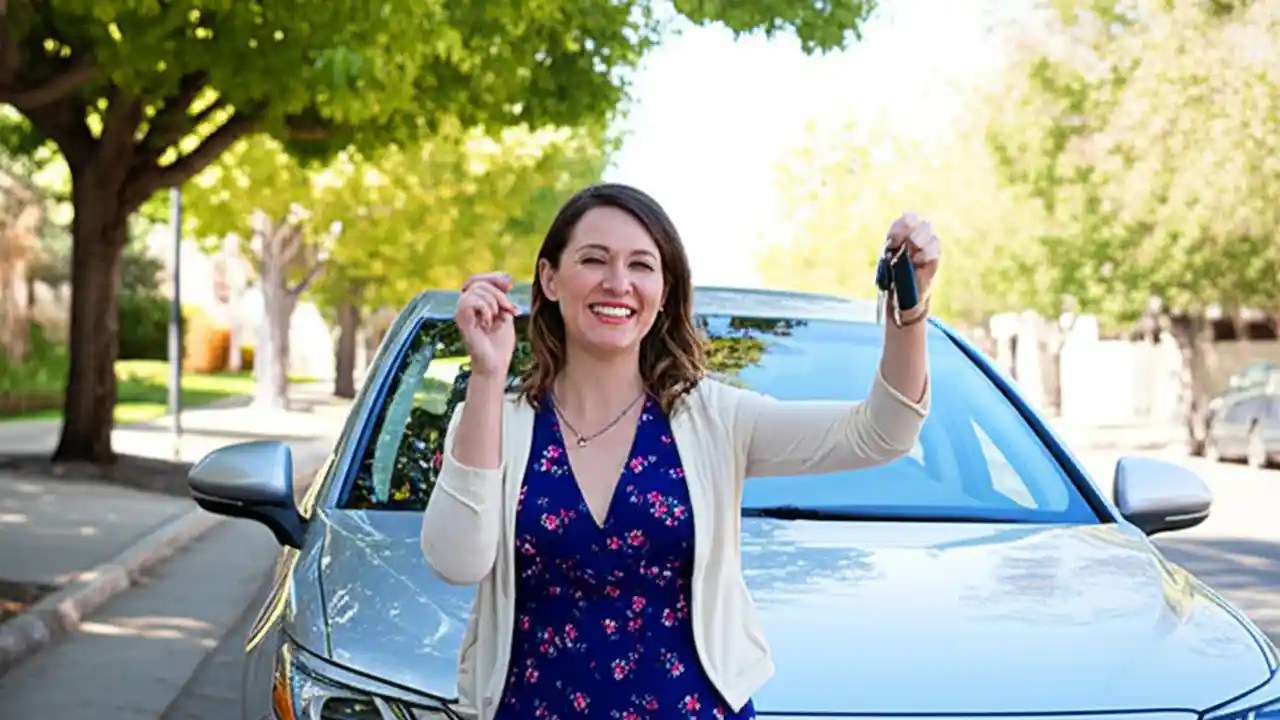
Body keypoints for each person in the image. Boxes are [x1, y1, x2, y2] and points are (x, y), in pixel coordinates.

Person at [421, 183, 939, 720]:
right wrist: (487, 375)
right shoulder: (494, 420)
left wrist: (910, 309)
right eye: (594, 259)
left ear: (664, 289)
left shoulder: (715, 420)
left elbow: (884, 431)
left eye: (641, 265)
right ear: (549, 279)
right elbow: (458, 562)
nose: (618, 283)